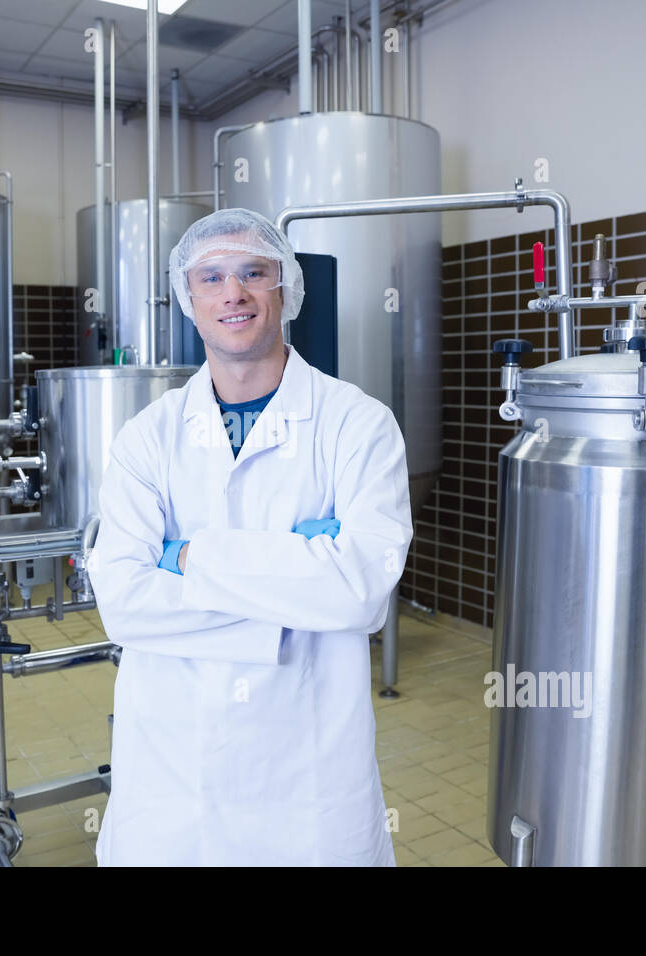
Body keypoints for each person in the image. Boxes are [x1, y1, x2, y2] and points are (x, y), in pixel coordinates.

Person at [87, 207, 413, 866]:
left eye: (252, 273)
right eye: (211, 278)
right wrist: (294, 583)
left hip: (308, 777)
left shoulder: (359, 426)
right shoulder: (147, 437)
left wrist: (185, 557)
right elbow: (122, 602)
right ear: (189, 299)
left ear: (285, 290)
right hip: (176, 776)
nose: (231, 294)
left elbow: (356, 594)